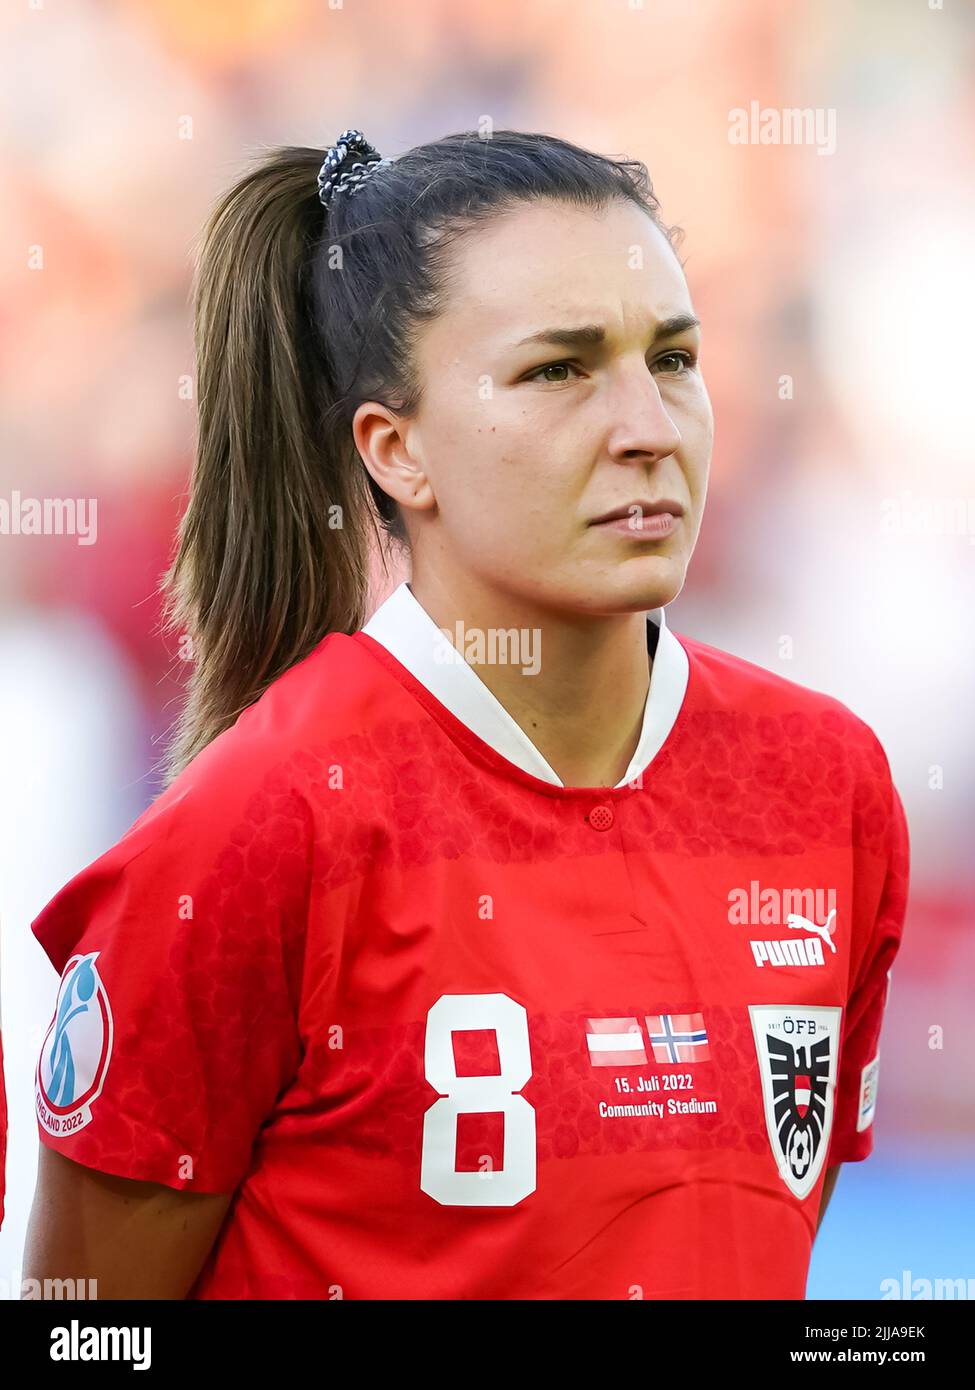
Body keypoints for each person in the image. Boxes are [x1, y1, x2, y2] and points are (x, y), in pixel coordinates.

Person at [22, 128, 909, 1300]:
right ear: (397, 451)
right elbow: (85, 1329)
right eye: (560, 369)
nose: (648, 428)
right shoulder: (262, 821)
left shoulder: (824, 782)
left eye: (676, 359)